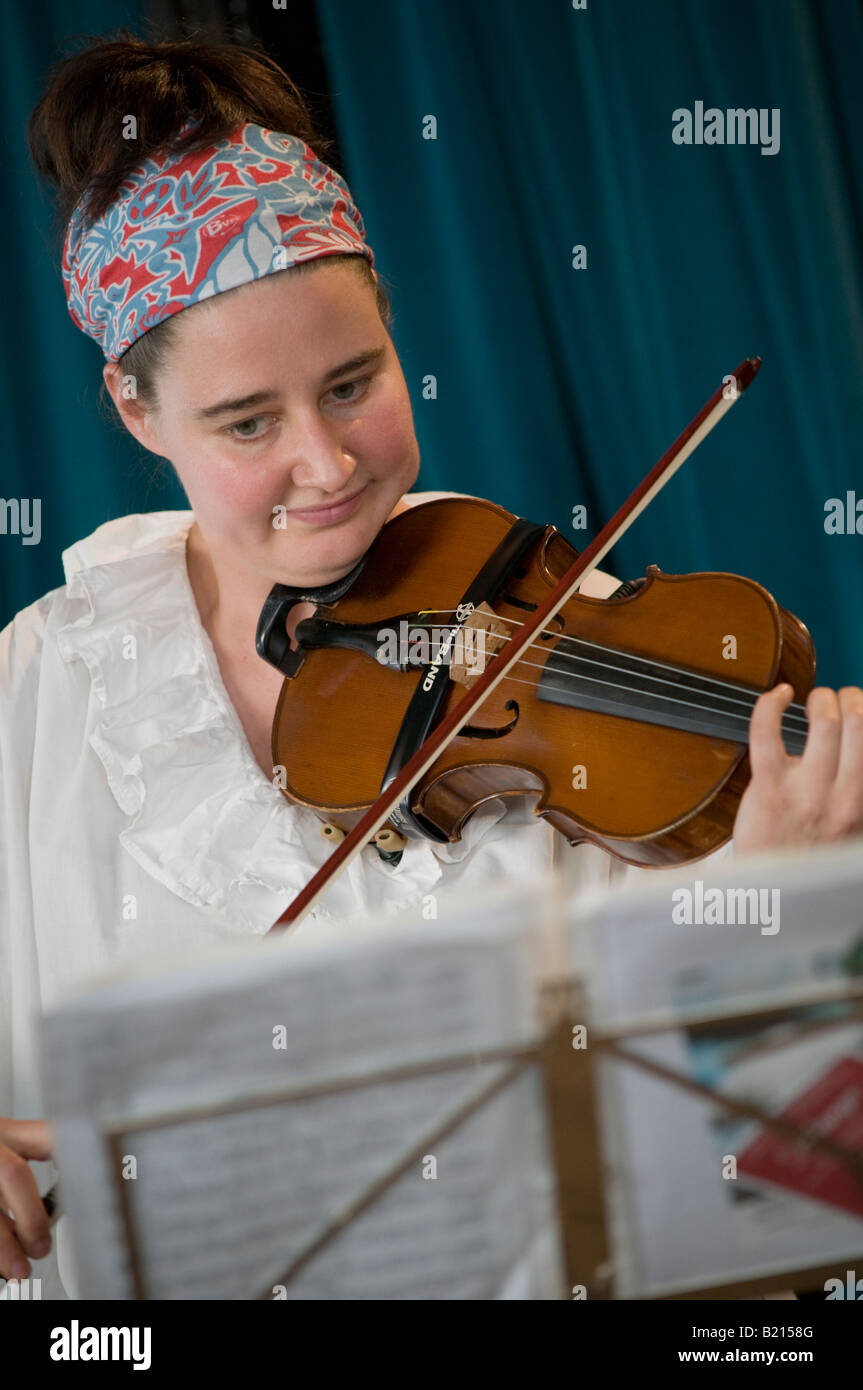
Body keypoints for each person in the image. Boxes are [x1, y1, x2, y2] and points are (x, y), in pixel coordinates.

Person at [2, 34, 862, 1301]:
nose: (328, 463)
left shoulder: (565, 625)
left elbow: (773, 1190)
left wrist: (776, 924)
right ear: (138, 412)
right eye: (247, 422)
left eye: (353, 382)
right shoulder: (34, 692)